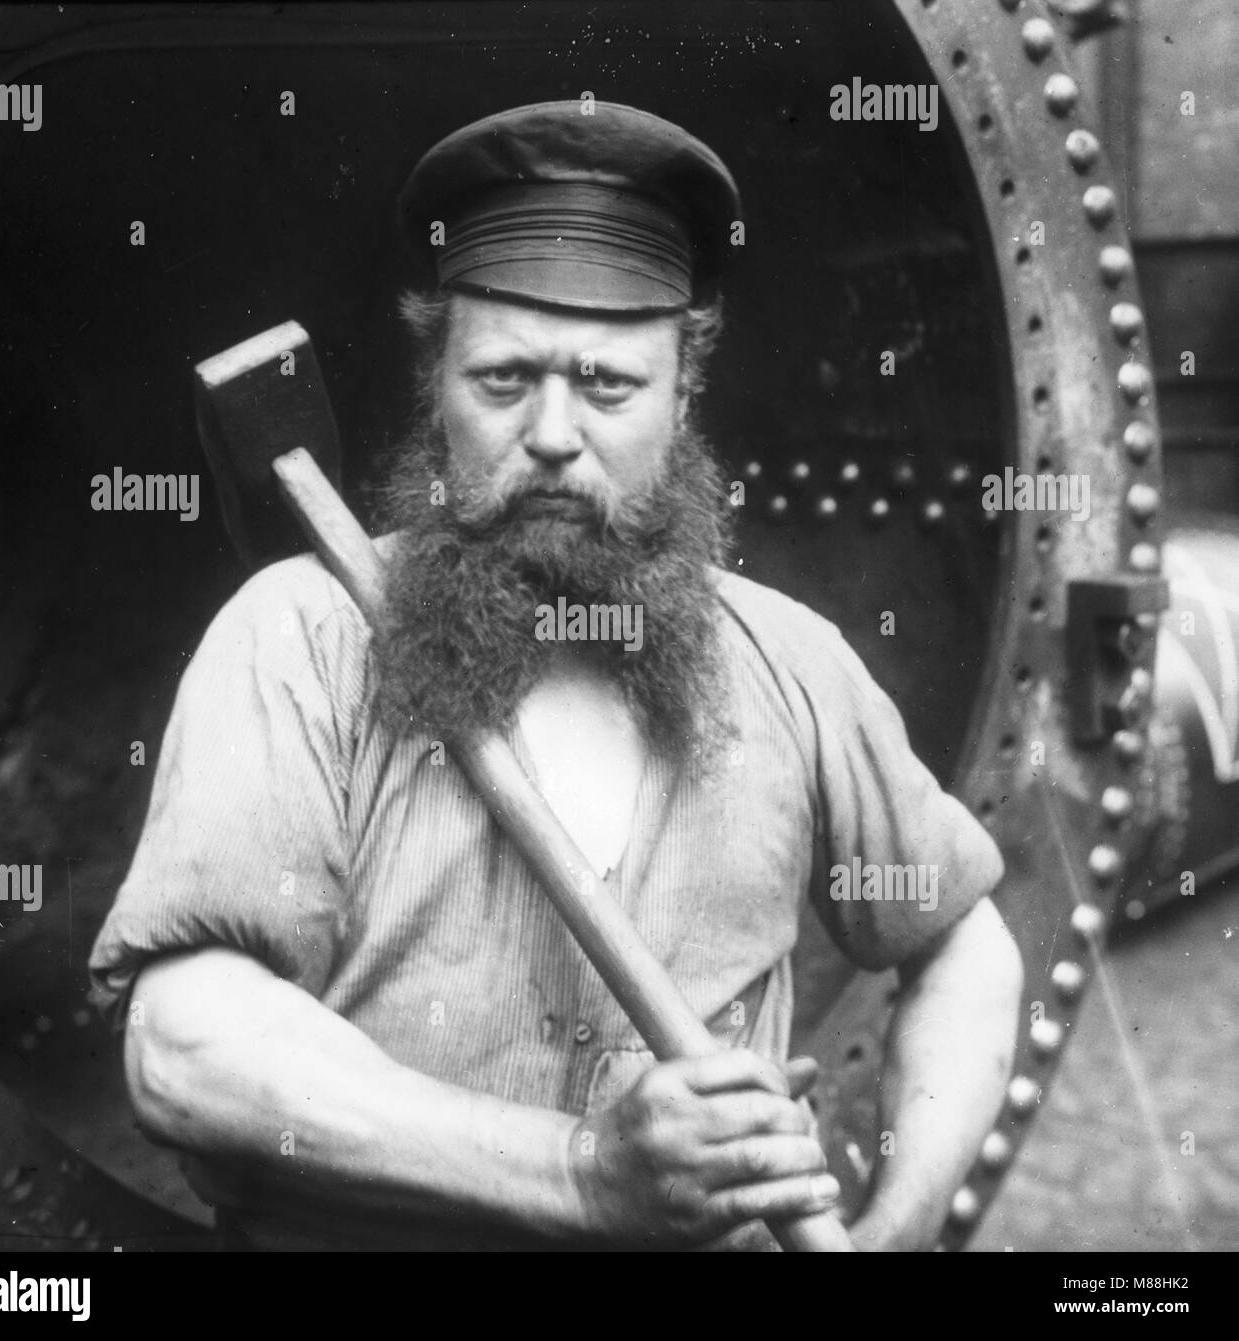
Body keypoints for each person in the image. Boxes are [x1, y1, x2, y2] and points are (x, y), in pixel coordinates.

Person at [89, 101, 1022, 1252]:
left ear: (682, 397)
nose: (550, 432)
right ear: (435, 382)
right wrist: (579, 1175)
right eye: (501, 379)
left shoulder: (792, 662)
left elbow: (963, 944)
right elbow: (182, 1047)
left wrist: (900, 1224)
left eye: (608, 385)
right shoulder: (298, 641)